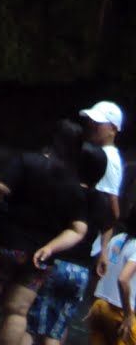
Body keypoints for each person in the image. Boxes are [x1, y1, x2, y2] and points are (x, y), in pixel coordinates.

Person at [0, 119, 91, 345]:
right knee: (17, 312)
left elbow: (0, 187)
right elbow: (79, 229)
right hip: (39, 258)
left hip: (4, 241)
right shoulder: (74, 185)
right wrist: (50, 247)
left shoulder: (28, 161)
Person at [26, 140, 108, 345]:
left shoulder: (65, 190)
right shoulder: (102, 201)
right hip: (80, 271)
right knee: (55, 332)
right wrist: (103, 254)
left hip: (55, 261)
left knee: (30, 323)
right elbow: (107, 227)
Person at [81, 102, 125, 261]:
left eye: (98, 123)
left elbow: (112, 208)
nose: (91, 125)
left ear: (113, 129)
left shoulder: (108, 158)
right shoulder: (96, 153)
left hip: (84, 242)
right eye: (90, 121)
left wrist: (103, 248)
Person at [86, 222, 136, 345]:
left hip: (100, 304)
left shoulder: (117, 238)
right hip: (120, 311)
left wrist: (93, 302)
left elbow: (100, 272)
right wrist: (128, 315)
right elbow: (123, 279)